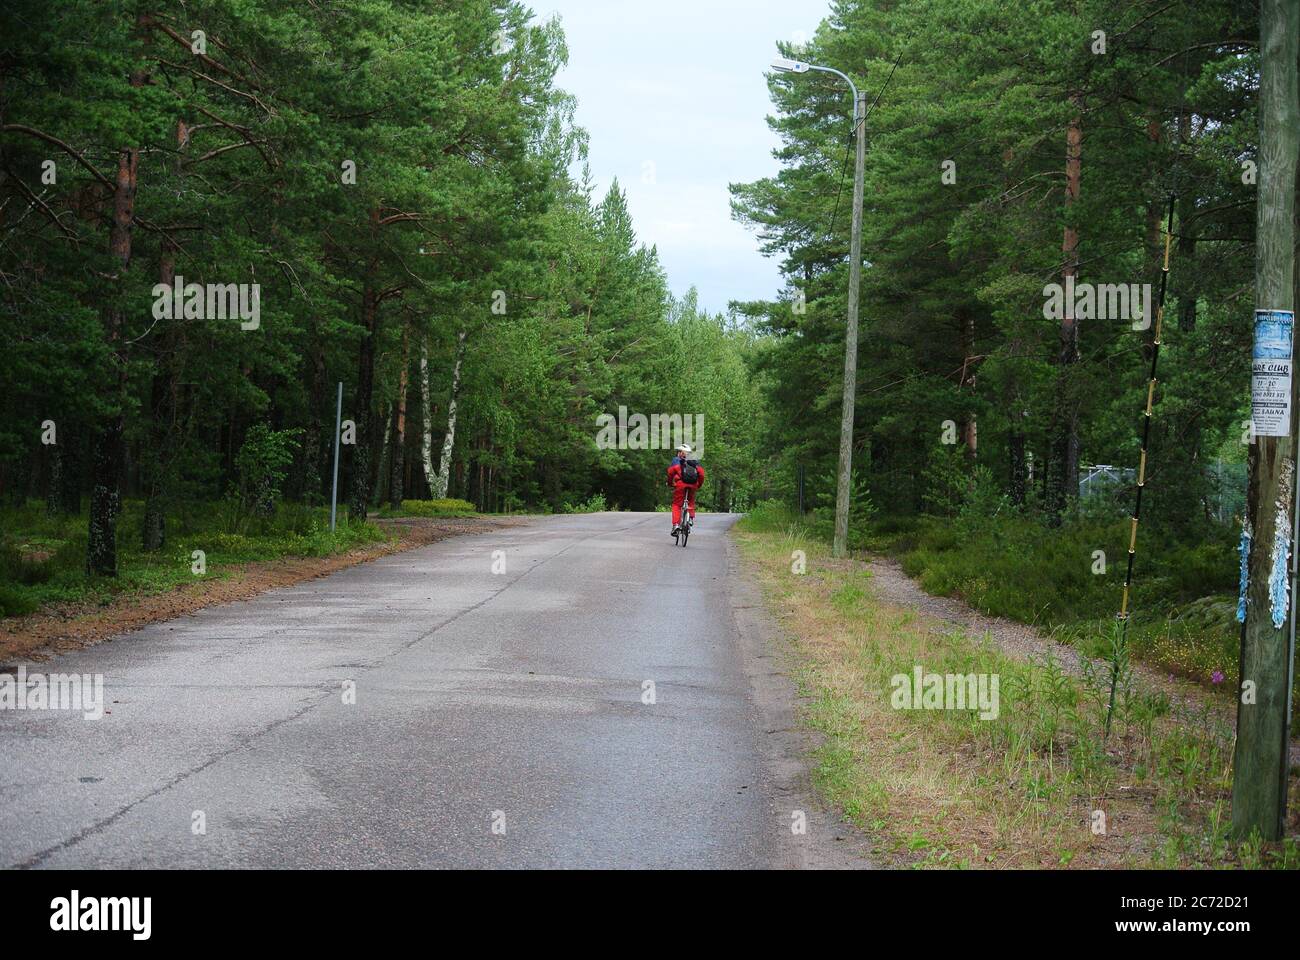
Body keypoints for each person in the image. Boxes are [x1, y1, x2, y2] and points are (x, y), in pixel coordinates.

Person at [667, 443, 704, 536]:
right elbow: (702, 474)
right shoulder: (695, 462)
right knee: (691, 502)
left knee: (676, 505)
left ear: (681, 453)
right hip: (693, 485)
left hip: (680, 485)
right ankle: (690, 519)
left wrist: (670, 483)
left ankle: (675, 525)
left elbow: (670, 473)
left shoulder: (677, 462)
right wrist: (698, 485)